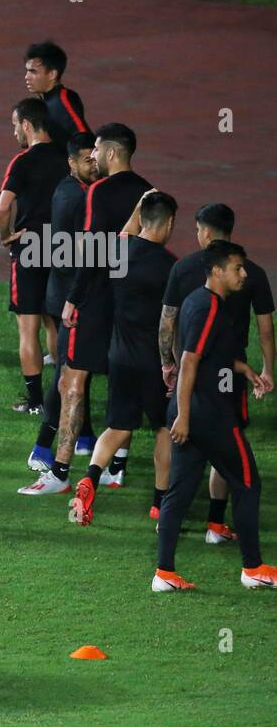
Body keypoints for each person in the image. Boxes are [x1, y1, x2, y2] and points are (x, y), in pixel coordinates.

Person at [20, 122, 151, 496]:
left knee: (71, 382)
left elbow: (91, 254)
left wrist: (72, 298)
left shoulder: (99, 192)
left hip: (95, 299)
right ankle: (118, 468)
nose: (92, 155)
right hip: (133, 299)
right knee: (123, 379)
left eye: (96, 149)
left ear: (111, 153)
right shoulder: (147, 192)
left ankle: (59, 472)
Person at [152, 242, 277, 592]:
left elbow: (211, 356)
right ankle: (253, 567)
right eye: (238, 267)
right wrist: (186, 417)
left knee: (178, 492)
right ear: (218, 271)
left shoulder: (198, 302)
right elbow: (189, 361)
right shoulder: (209, 306)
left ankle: (164, 573)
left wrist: (246, 371)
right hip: (210, 415)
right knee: (248, 482)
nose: (244, 274)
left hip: (194, 411)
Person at [68, 192, 178, 526]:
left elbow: (125, 232)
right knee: (163, 429)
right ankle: (160, 503)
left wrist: (137, 205)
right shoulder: (170, 266)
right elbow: (169, 323)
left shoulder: (118, 252)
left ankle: (89, 478)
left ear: (142, 218)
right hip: (154, 363)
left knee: (117, 426)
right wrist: (170, 365)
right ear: (170, 223)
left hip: (119, 356)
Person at [30, 132, 99, 471]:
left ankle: (85, 436)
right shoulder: (76, 199)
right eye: (88, 159)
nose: (94, 164)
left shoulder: (71, 190)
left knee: (77, 369)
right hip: (73, 299)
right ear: (72, 163)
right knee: (67, 373)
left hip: (66, 295)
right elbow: (72, 257)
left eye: (96, 157)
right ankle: (43, 446)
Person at [0, 98, 68, 414]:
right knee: (53, 322)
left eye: (15, 126)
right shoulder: (67, 157)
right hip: (62, 245)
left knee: (28, 327)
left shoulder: (22, 161)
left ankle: (36, 401)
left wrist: (5, 236)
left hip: (29, 246)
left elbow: (2, 207)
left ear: (26, 124)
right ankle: (63, 390)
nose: (15, 133)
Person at [23, 40, 89, 144]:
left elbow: (84, 138)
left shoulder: (63, 99)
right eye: (27, 71)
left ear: (52, 74)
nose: (26, 77)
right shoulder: (44, 102)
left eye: (33, 72)